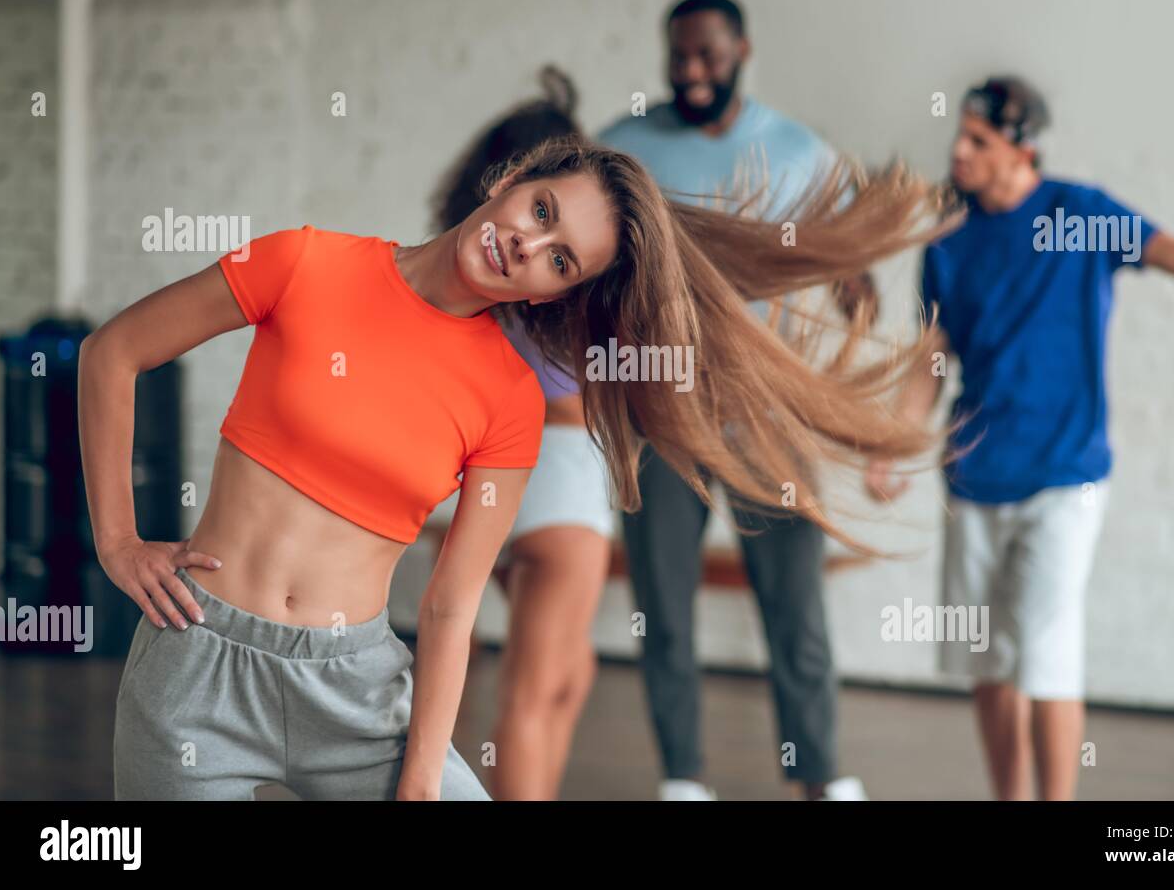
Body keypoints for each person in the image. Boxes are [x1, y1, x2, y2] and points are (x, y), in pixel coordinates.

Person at [83, 126, 954, 800]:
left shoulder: (509, 399)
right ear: (511, 180)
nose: (527, 246)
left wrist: (423, 772)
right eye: (540, 211)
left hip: (354, 690)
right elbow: (112, 352)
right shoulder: (304, 261)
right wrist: (118, 542)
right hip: (195, 659)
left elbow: (454, 601)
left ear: (557, 294)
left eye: (560, 259)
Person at [866, 75, 1174, 801]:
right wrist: (895, 443)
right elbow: (934, 357)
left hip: (1066, 477)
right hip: (973, 475)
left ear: (1023, 149)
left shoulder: (1079, 215)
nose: (958, 151)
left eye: (979, 141)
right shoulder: (948, 235)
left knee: (1048, 655)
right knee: (988, 662)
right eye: (958, 135)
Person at [597, 0, 879, 801]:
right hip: (659, 413)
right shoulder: (622, 150)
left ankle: (819, 774)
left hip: (767, 415)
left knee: (796, 607)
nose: (689, 73)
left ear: (742, 52)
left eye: (707, 58)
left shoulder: (800, 153)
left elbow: (853, 274)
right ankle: (682, 778)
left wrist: (854, 327)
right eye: (677, 56)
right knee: (664, 610)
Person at [430, 65, 616, 801]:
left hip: (504, 488)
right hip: (560, 480)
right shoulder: (545, 288)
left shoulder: (474, 270)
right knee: (534, 695)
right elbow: (569, 403)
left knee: (571, 673)